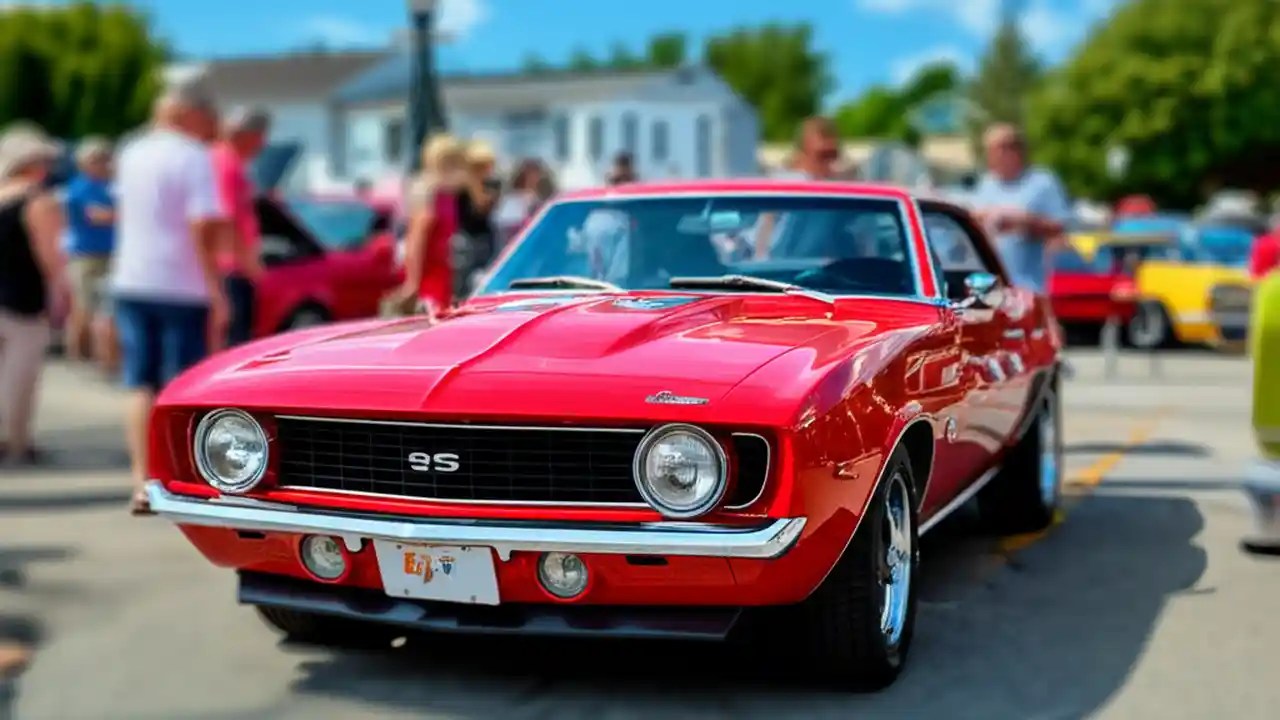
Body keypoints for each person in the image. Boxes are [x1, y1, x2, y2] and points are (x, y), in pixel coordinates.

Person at [110, 79, 227, 514]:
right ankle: (181, 478)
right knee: (183, 384)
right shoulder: (193, 156)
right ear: (188, 114)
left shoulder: (131, 151)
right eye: (208, 114)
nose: (213, 123)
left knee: (139, 381)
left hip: (133, 278)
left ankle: (142, 479)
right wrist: (215, 287)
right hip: (180, 283)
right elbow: (202, 225)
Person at [0, 125, 67, 465]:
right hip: (22, 297)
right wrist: (60, 295)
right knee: (20, 375)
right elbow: (50, 256)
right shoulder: (38, 200)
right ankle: (17, 441)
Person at [969, 123, 1072, 294]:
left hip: (1031, 288)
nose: (992, 156)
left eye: (997, 150)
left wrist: (1024, 221)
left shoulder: (1042, 182)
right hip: (993, 290)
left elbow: (1059, 225)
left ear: (1015, 150)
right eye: (989, 151)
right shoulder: (985, 184)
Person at [211, 106, 270, 347]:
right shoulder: (227, 164)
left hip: (225, 263)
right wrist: (249, 263)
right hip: (231, 266)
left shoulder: (219, 158)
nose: (262, 144)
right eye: (260, 137)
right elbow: (227, 218)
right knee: (236, 340)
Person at [386, 134, 464, 317]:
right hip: (428, 276)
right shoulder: (429, 192)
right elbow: (416, 240)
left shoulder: (448, 193)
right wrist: (413, 283)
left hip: (441, 272)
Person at [754, 115, 844, 259]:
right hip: (779, 266)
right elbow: (766, 223)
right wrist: (760, 260)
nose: (829, 162)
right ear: (804, 150)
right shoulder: (784, 184)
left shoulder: (840, 191)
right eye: (823, 155)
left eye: (833, 155)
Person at [61, 137, 116, 369]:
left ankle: (98, 354)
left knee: (104, 308)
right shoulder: (78, 187)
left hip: (108, 252)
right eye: (97, 160)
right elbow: (95, 216)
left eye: (104, 158)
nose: (102, 164)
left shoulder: (109, 186)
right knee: (83, 306)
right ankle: (76, 352)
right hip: (85, 255)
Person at [455, 140, 500, 297]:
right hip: (468, 238)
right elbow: (478, 207)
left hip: (484, 236)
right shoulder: (463, 187)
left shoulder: (485, 183)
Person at [494, 158, 549, 249]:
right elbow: (503, 222)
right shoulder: (511, 200)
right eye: (530, 174)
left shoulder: (540, 199)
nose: (534, 178)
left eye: (536, 174)